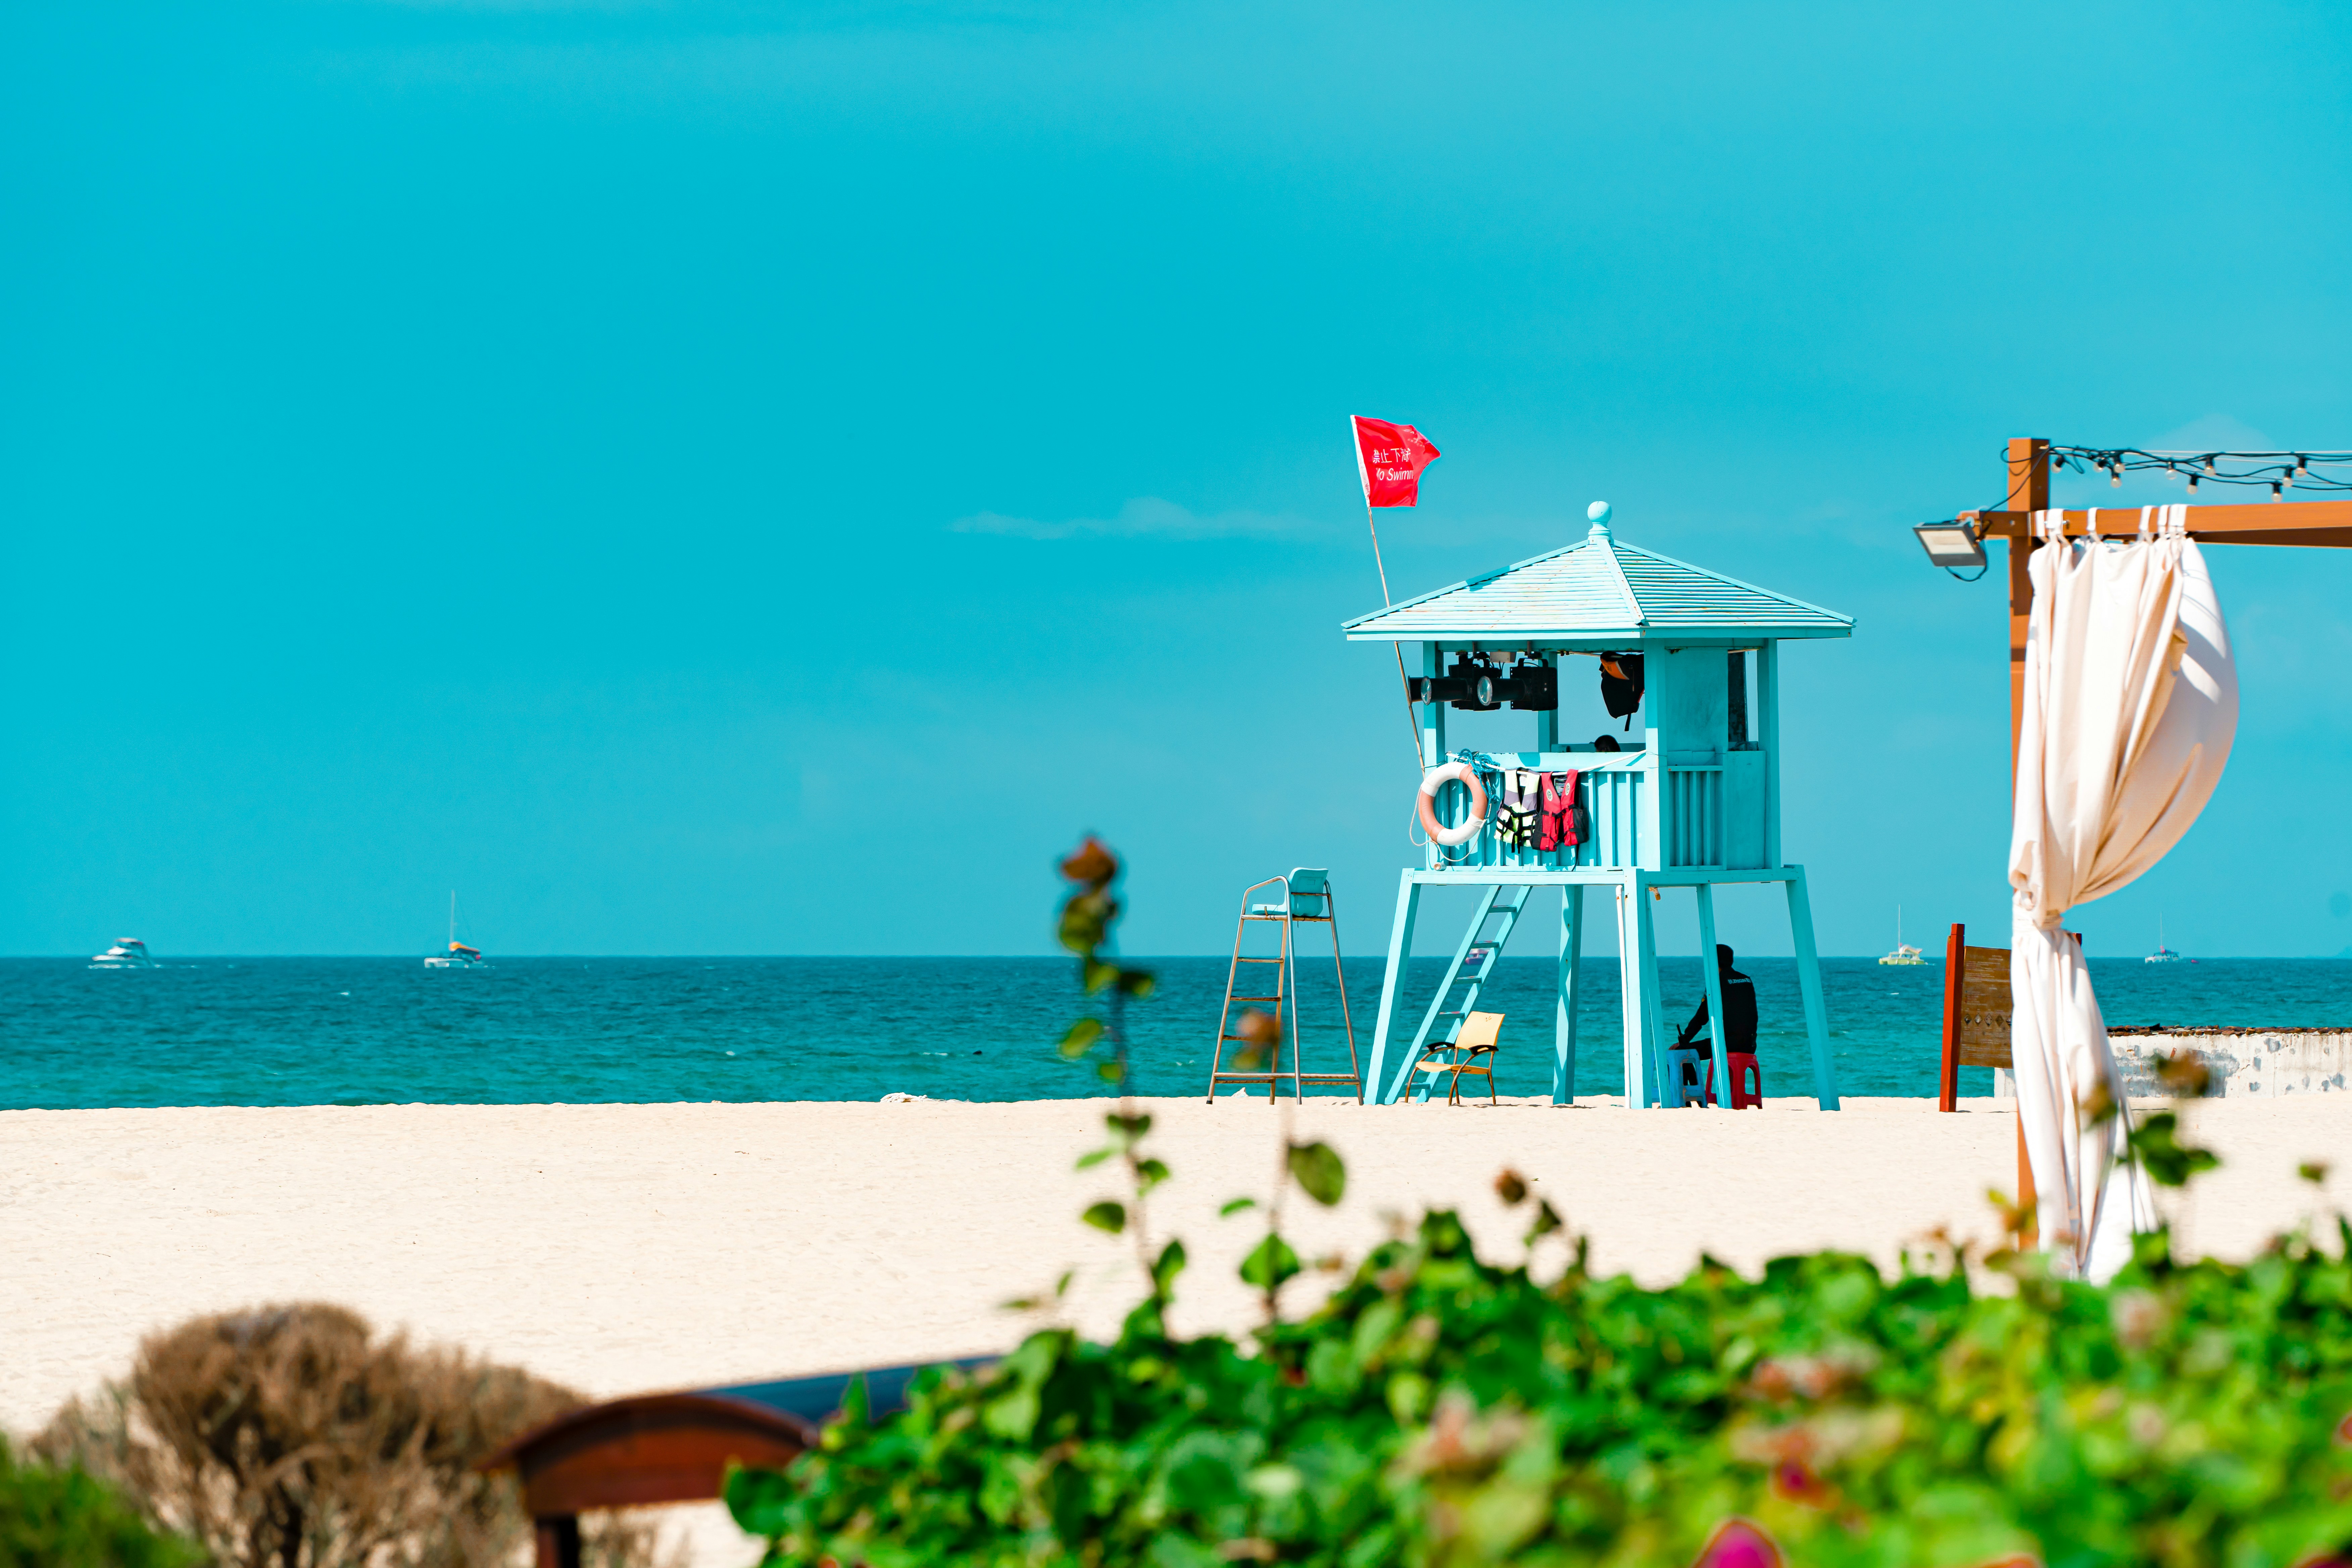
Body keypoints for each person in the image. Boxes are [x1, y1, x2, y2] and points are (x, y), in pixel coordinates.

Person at [1675, 944, 1758, 1094]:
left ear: (1713, 961)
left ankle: (1694, 1098)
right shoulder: (1746, 980)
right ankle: (1733, 1096)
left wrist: (1685, 1040)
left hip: (1727, 1045)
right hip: (1750, 1045)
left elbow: (1702, 1017)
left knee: (1680, 1053)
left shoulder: (1717, 983)